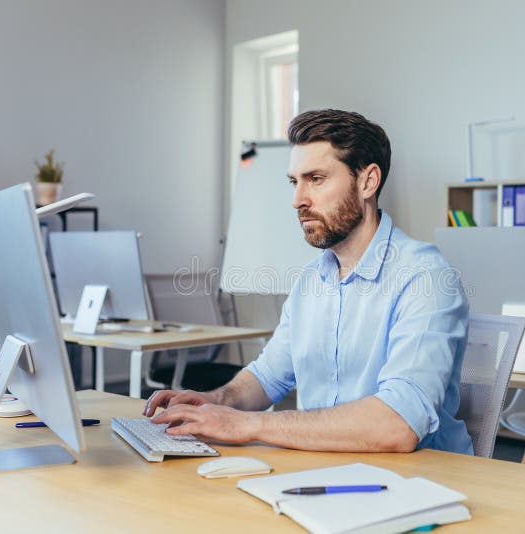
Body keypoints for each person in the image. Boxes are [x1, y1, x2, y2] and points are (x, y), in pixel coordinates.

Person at [144, 109, 472, 454]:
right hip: (324, 469)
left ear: (368, 182)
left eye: (315, 179)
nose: (298, 200)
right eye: (294, 181)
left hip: (418, 484)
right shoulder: (312, 280)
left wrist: (248, 424)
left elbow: (398, 425)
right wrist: (214, 402)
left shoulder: (425, 278)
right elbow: (268, 377)